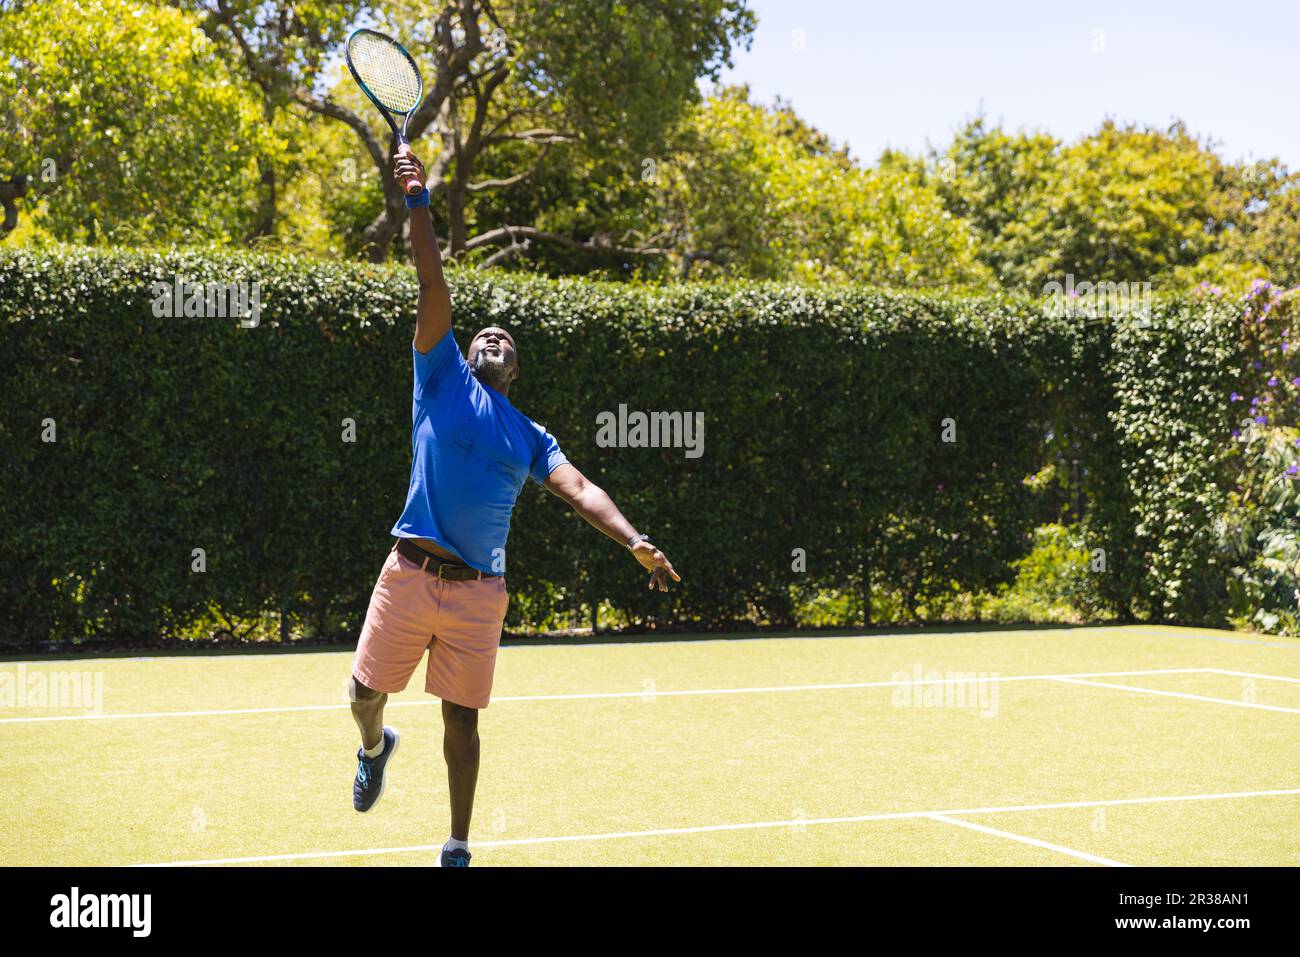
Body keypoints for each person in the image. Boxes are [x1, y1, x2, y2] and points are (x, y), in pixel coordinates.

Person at [347, 145, 681, 868]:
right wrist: (417, 201)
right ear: (464, 353)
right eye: (483, 335)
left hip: (477, 594)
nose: (492, 336)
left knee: (462, 722)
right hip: (407, 572)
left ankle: (458, 843)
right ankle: (375, 747)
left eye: (505, 340)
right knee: (361, 693)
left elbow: (581, 488)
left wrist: (633, 539)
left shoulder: (529, 435)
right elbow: (431, 278)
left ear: (515, 368)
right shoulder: (437, 378)